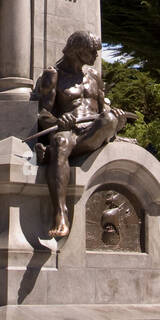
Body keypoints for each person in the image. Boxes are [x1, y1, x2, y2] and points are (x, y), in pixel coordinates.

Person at [32, 31, 128, 238]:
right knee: (61, 141)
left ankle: (51, 155)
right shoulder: (53, 75)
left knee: (110, 119)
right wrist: (58, 121)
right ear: (78, 51)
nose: (96, 55)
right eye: (92, 51)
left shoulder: (93, 76)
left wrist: (117, 118)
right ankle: (60, 213)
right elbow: (41, 112)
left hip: (93, 129)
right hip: (70, 132)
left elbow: (103, 109)